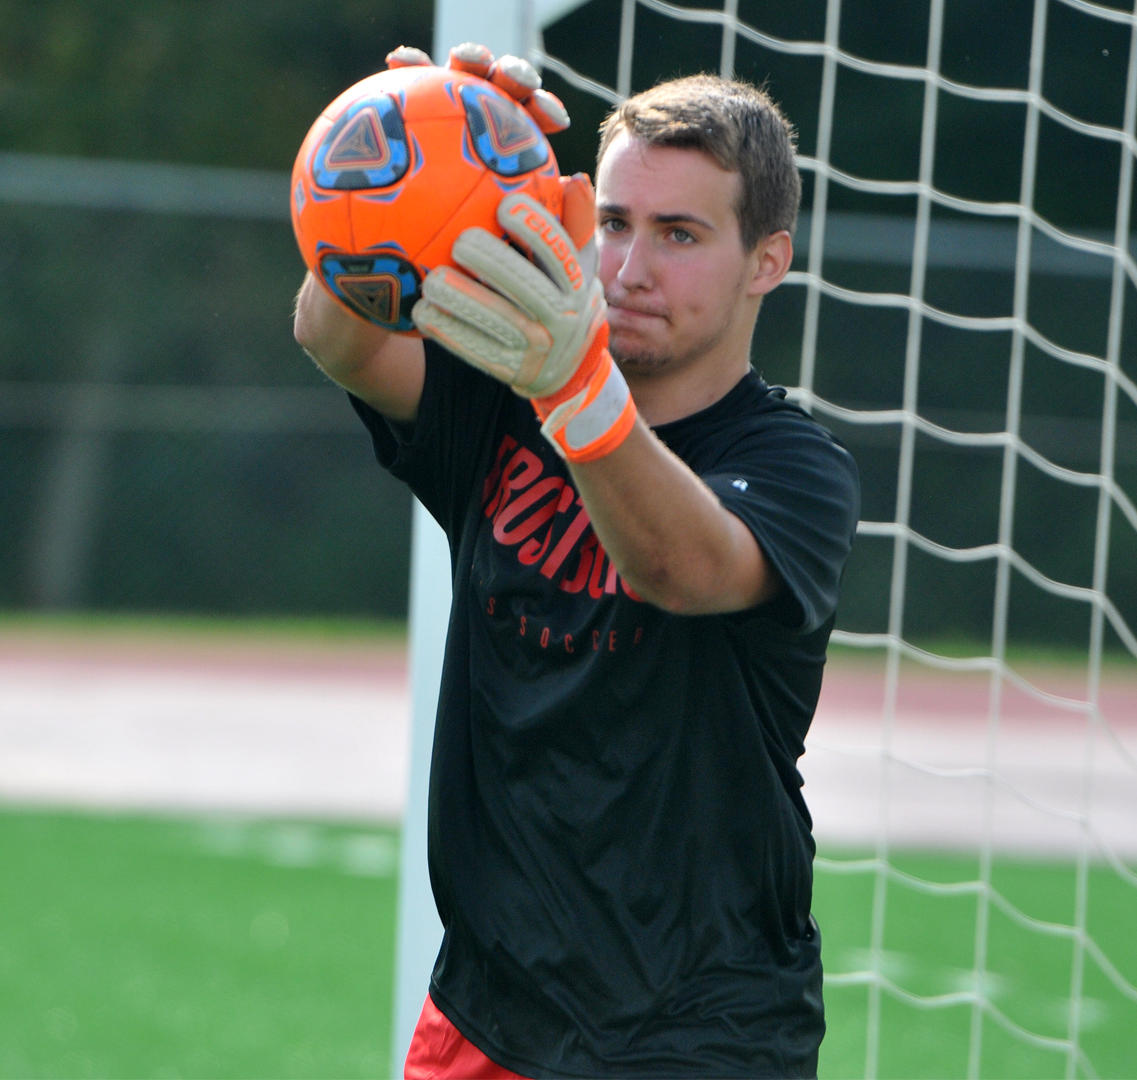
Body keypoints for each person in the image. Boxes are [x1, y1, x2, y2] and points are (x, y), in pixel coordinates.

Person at [293, 47, 861, 1079]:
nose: (630, 268)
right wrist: (408, 149)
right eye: (613, 223)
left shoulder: (794, 467)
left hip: (702, 1030)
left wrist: (575, 389)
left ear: (766, 262)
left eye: (679, 235)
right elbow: (337, 338)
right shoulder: (506, 392)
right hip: (487, 1010)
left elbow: (680, 568)